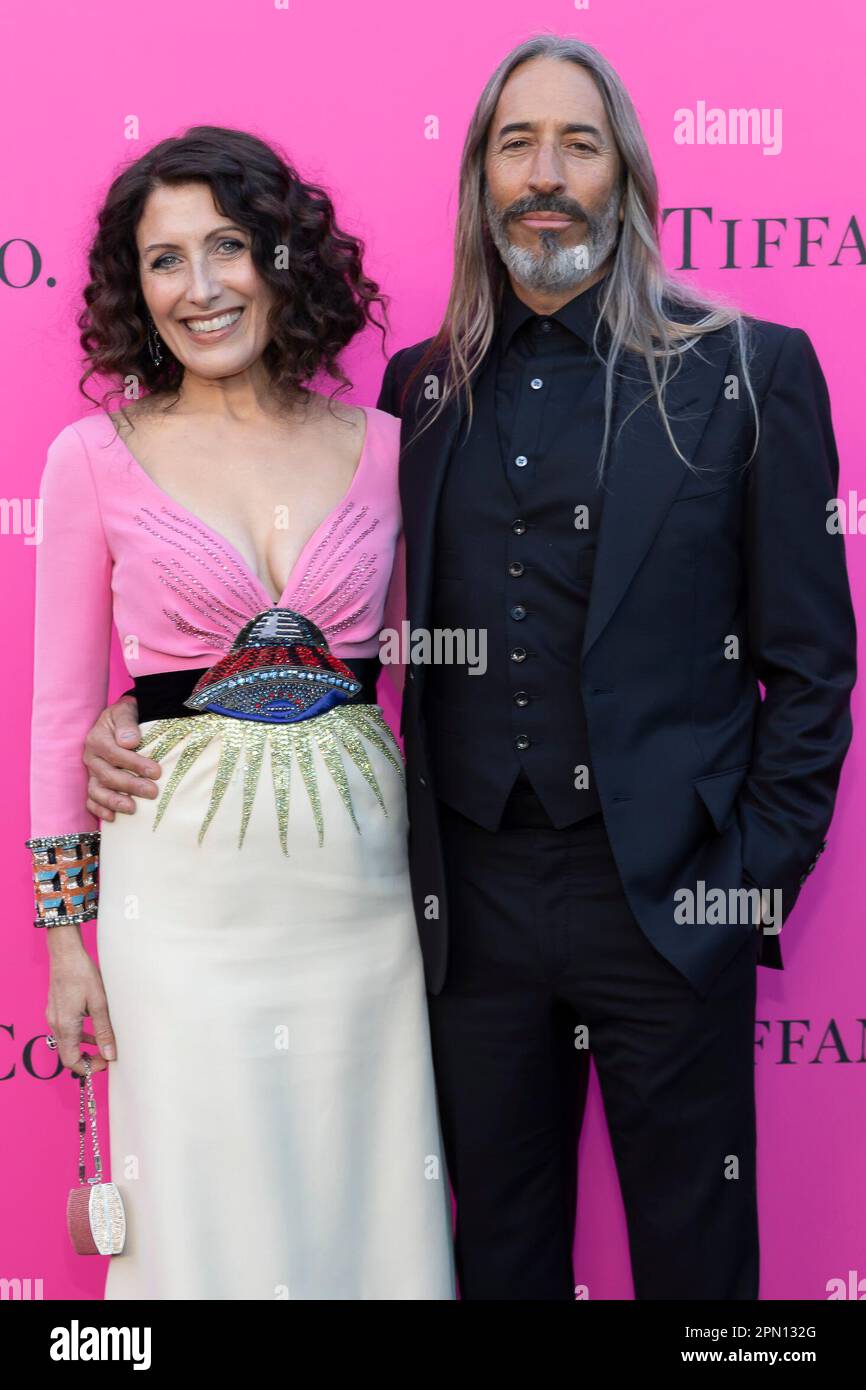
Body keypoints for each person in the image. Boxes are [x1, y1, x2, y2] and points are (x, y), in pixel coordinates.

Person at [83, 39, 857, 1302]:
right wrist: (152, 708)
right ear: (480, 183)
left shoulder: (746, 371)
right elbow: (313, 619)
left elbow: (811, 668)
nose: (543, 174)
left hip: (671, 899)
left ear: (628, 179)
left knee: (697, 1258)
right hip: (464, 908)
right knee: (495, 1247)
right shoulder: (417, 393)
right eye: (514, 144)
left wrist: (745, 889)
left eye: (577, 143)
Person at [26, 125, 455, 1300]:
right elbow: (63, 712)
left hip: (363, 912)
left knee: (365, 1200)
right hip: (180, 911)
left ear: (282, 255)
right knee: (201, 1214)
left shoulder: (388, 448)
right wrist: (67, 943)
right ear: (135, 289)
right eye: (165, 260)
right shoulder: (92, 458)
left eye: (227, 246)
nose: (201, 287)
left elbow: (443, 677)